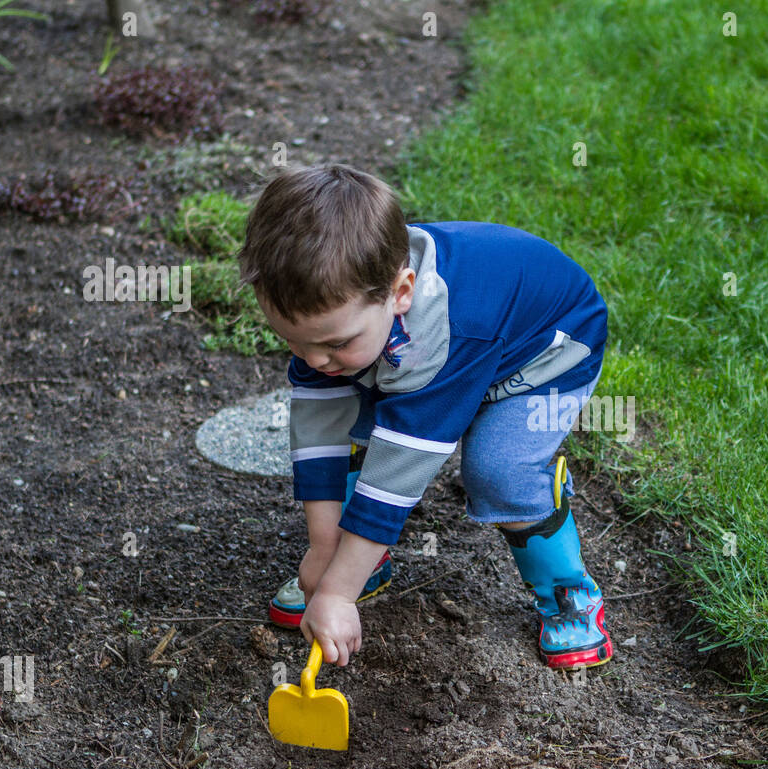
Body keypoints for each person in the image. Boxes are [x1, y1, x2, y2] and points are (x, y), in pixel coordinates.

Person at [237, 163, 612, 671]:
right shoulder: (337, 322)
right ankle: (359, 560)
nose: (312, 361)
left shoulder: (446, 330)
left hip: (544, 357)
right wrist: (325, 558)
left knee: (498, 470)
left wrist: (338, 595)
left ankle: (569, 592)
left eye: (334, 343)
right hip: (438, 355)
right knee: (352, 406)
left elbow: (398, 471)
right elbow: (319, 437)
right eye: (293, 342)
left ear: (402, 291)